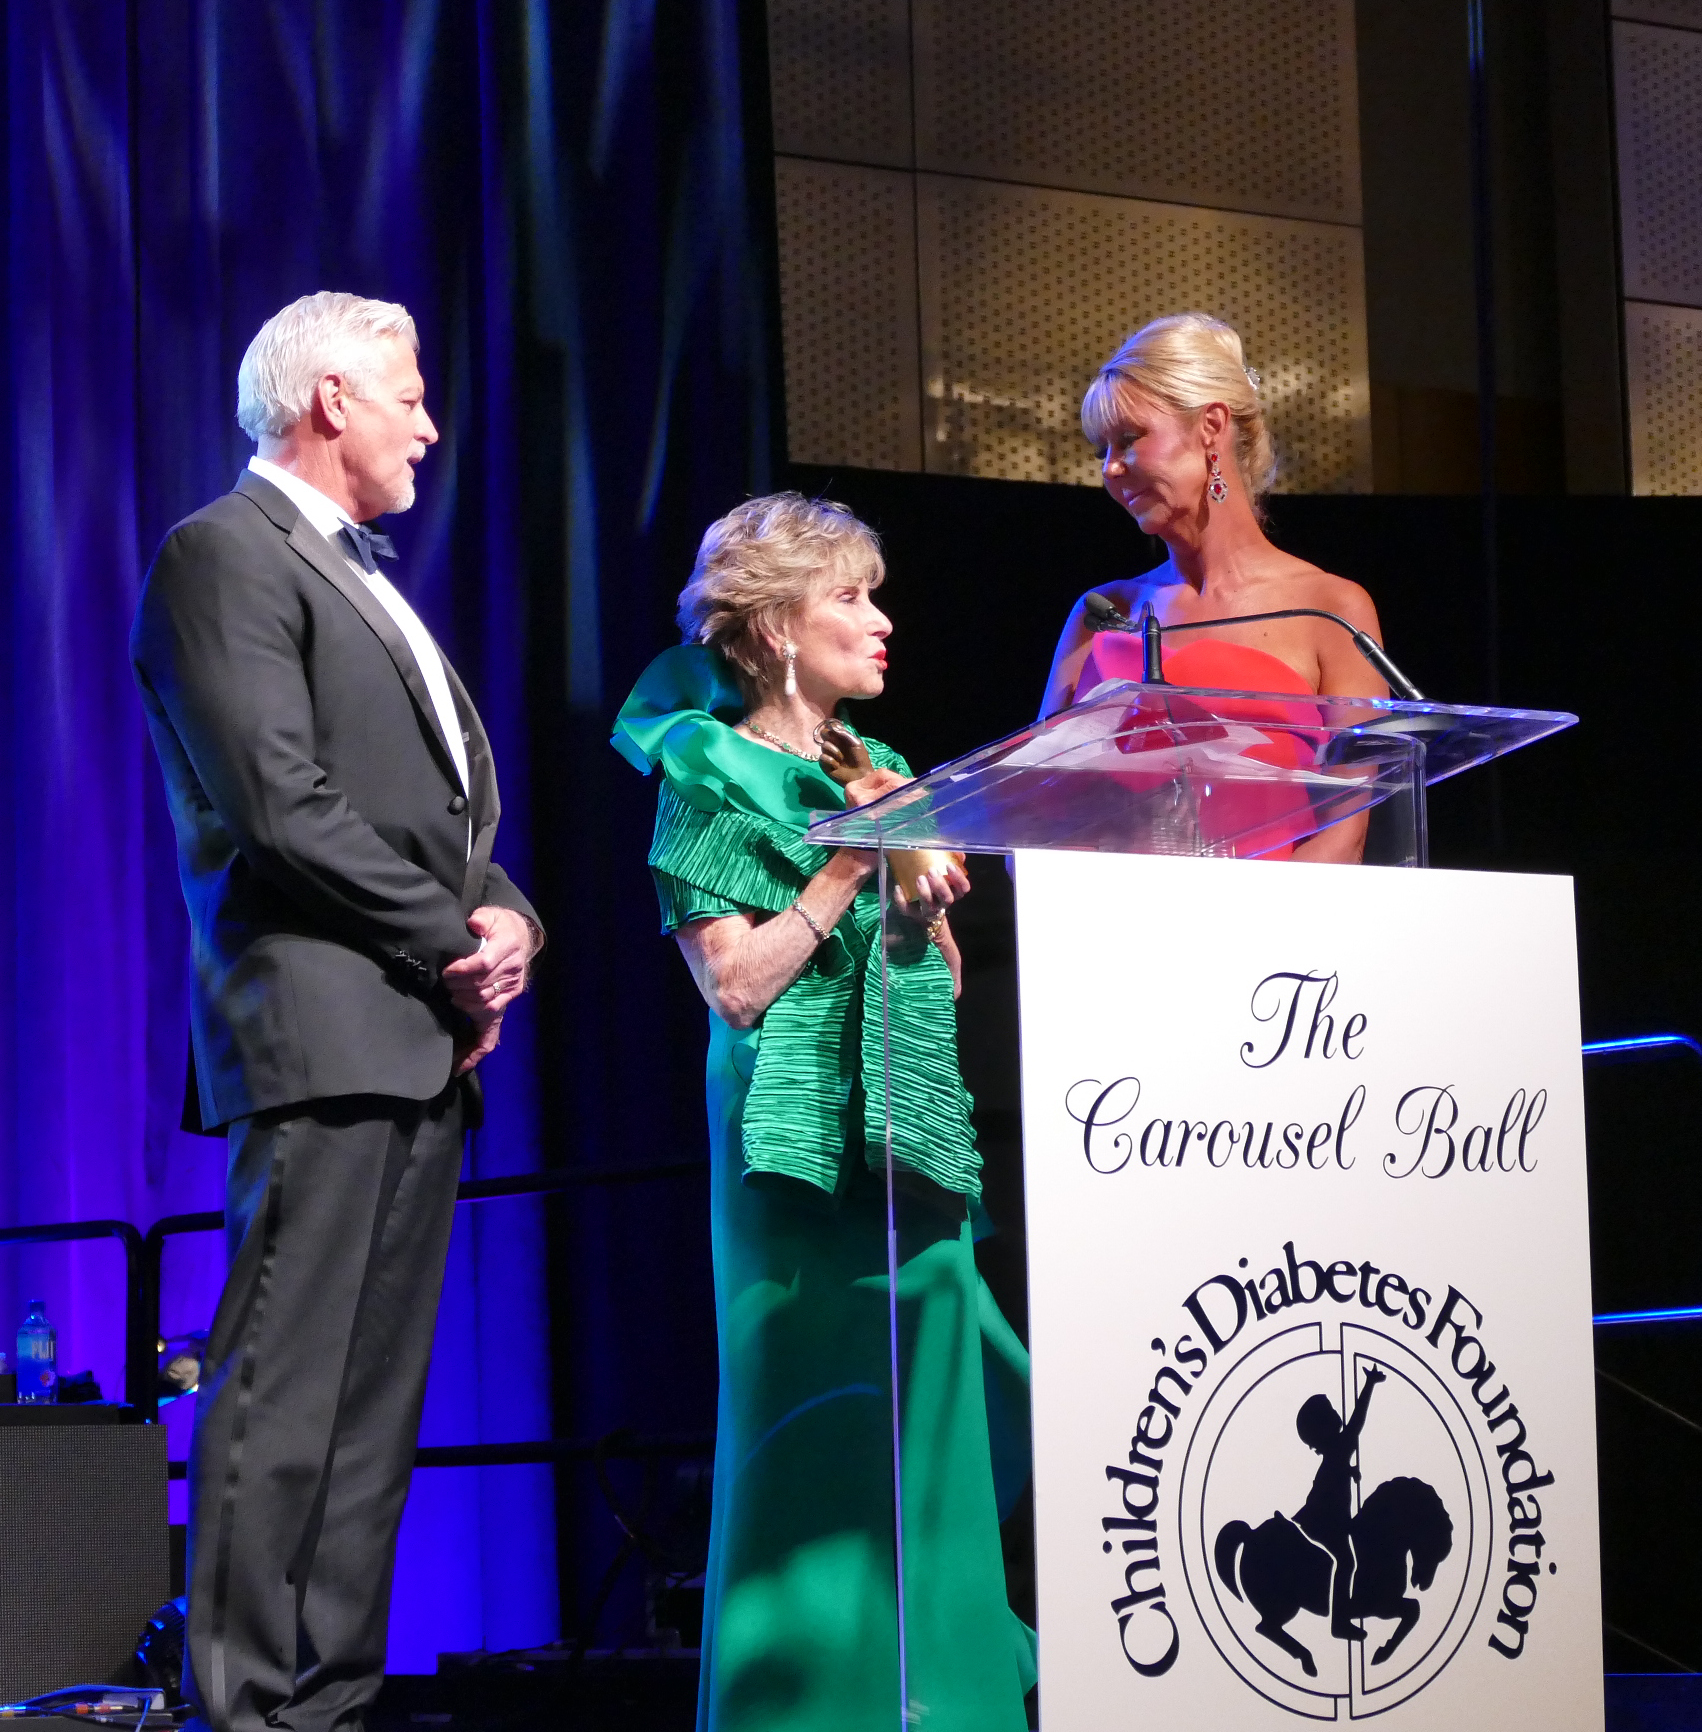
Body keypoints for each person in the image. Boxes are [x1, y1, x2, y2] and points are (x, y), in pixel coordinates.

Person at [131, 292, 542, 1732]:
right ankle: (240, 1710)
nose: (429, 421)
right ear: (328, 403)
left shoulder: (362, 576)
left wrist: (506, 919)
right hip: (318, 1037)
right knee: (284, 1402)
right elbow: (279, 807)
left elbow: (433, 817)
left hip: (415, 1036)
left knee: (372, 1424)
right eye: (409, 393)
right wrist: (450, 939)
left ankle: (329, 1707)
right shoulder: (219, 556)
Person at [611, 492, 1035, 1732]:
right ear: (778, 626)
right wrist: (851, 866)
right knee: (805, 1441)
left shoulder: (890, 774)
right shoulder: (704, 780)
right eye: (851, 595)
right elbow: (735, 988)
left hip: (909, 1148)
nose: (881, 620)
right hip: (786, 1170)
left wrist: (911, 908)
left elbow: (945, 978)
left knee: (940, 1429)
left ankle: (946, 1701)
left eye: (874, 592)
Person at [1040, 312, 1389, 862]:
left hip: (1276, 931)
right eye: (1100, 449)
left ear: (1211, 428)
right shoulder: (1104, 612)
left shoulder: (1332, 609)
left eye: (1129, 439)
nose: (1109, 469)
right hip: (1118, 927)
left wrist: (1244, 936)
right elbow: (1039, 805)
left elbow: (1346, 827)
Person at [1294, 1366, 1386, 1639]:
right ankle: (1340, 1622)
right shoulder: (1339, 1447)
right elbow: (1358, 1421)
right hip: (1324, 1521)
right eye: (1331, 1412)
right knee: (1346, 1563)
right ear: (1322, 1427)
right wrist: (1369, 1384)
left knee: (1350, 1557)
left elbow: (1334, 1474)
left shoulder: (1337, 1452)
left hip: (1329, 1518)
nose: (1338, 1414)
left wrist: (1348, 1472)